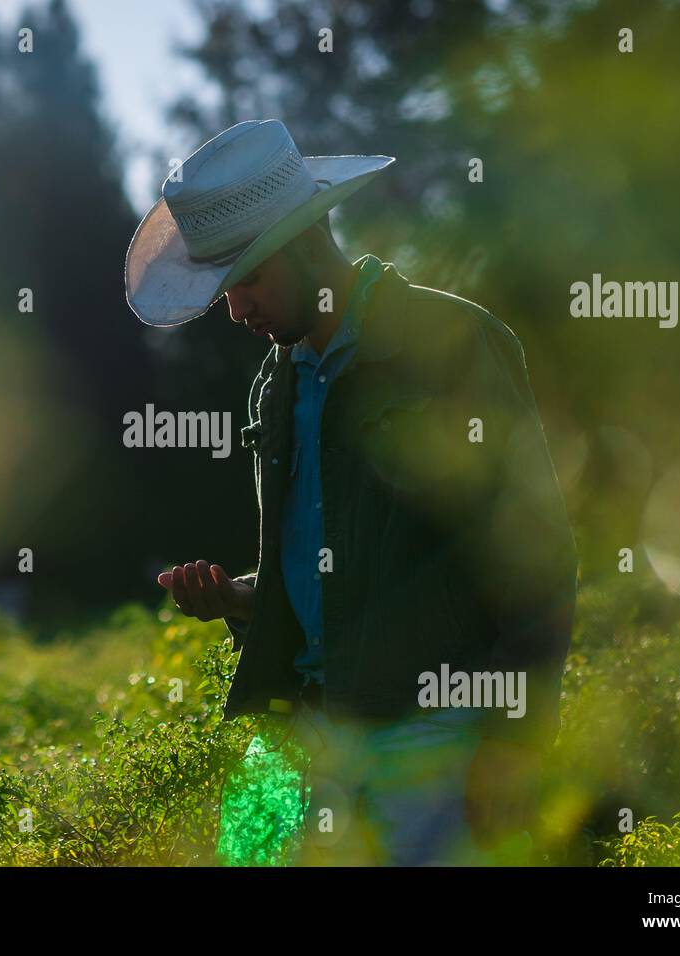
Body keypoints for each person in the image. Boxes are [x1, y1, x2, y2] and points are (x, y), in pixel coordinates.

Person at [125, 119, 578, 864]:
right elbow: (318, 564)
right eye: (223, 289)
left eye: (246, 281)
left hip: (433, 735)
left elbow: (537, 560)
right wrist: (243, 598)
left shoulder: (453, 344)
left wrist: (515, 744)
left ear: (308, 242)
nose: (235, 311)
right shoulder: (274, 385)